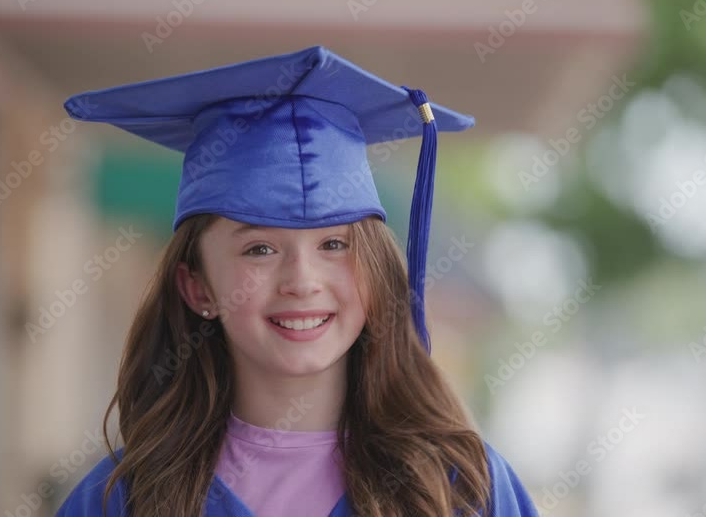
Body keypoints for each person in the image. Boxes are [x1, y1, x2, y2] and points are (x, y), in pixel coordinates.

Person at [54, 45, 539, 517]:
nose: (302, 281)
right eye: (259, 249)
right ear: (197, 287)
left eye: (334, 245)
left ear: (376, 273)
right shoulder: (121, 499)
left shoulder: (461, 487)